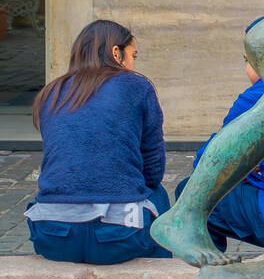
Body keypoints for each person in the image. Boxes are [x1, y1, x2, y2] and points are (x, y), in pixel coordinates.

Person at [27, 20, 170, 264]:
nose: (133, 63)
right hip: (119, 237)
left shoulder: (50, 92)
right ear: (116, 52)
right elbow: (153, 169)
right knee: (158, 195)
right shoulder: (137, 85)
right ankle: (161, 276)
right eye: (132, 55)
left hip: (52, 236)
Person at [171, 20, 264, 256]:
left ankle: (207, 269)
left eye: (246, 60)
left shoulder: (258, 96)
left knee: (188, 193)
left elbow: (207, 162)